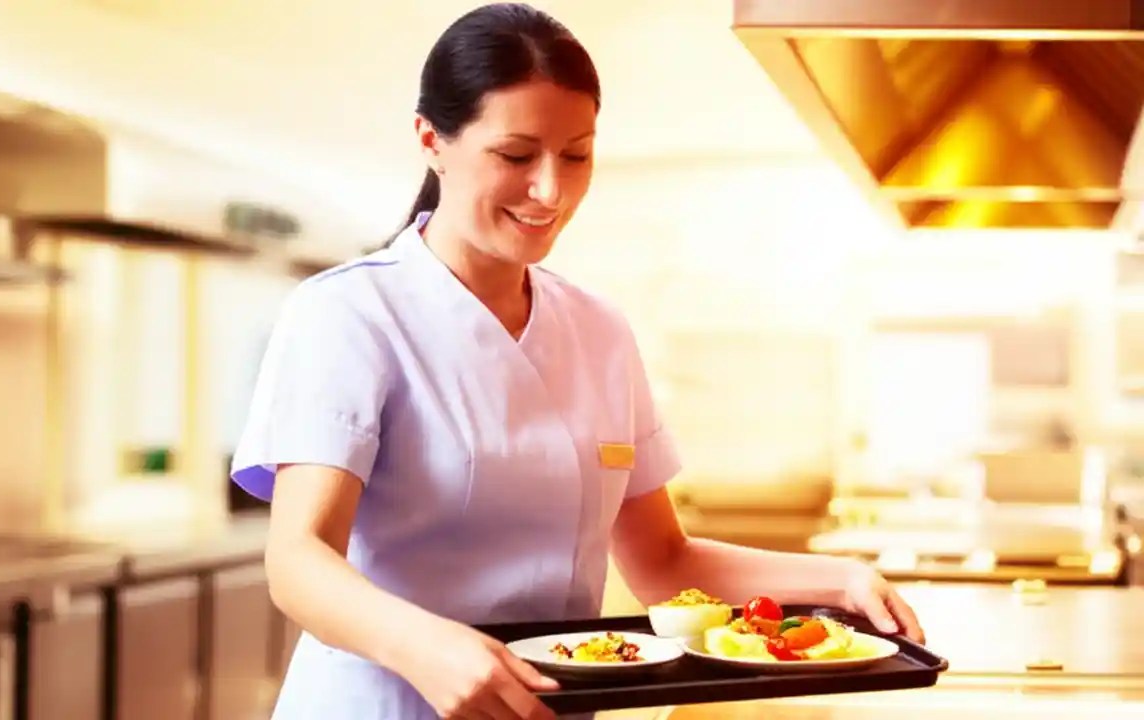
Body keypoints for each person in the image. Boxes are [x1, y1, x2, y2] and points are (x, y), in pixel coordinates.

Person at [231, 3, 925, 719]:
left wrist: (839, 581)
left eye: (576, 154)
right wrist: (428, 648)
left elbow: (663, 564)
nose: (551, 191)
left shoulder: (598, 330)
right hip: (384, 703)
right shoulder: (348, 315)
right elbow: (299, 562)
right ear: (430, 139)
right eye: (515, 155)